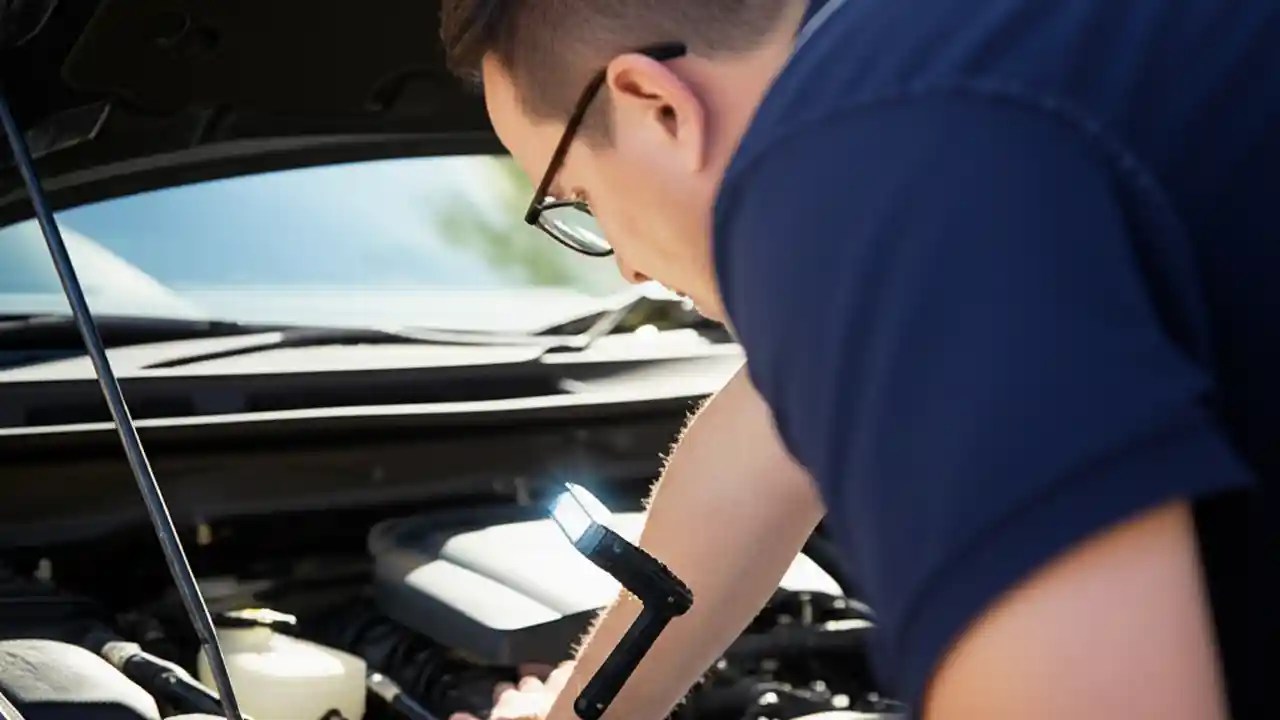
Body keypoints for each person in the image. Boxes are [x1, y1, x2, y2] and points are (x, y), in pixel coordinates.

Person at [439, 0, 1278, 718]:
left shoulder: (860, 157)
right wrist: (583, 707)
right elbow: (758, 447)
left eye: (580, 200)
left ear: (655, 103)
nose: (622, 263)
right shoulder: (949, 67)